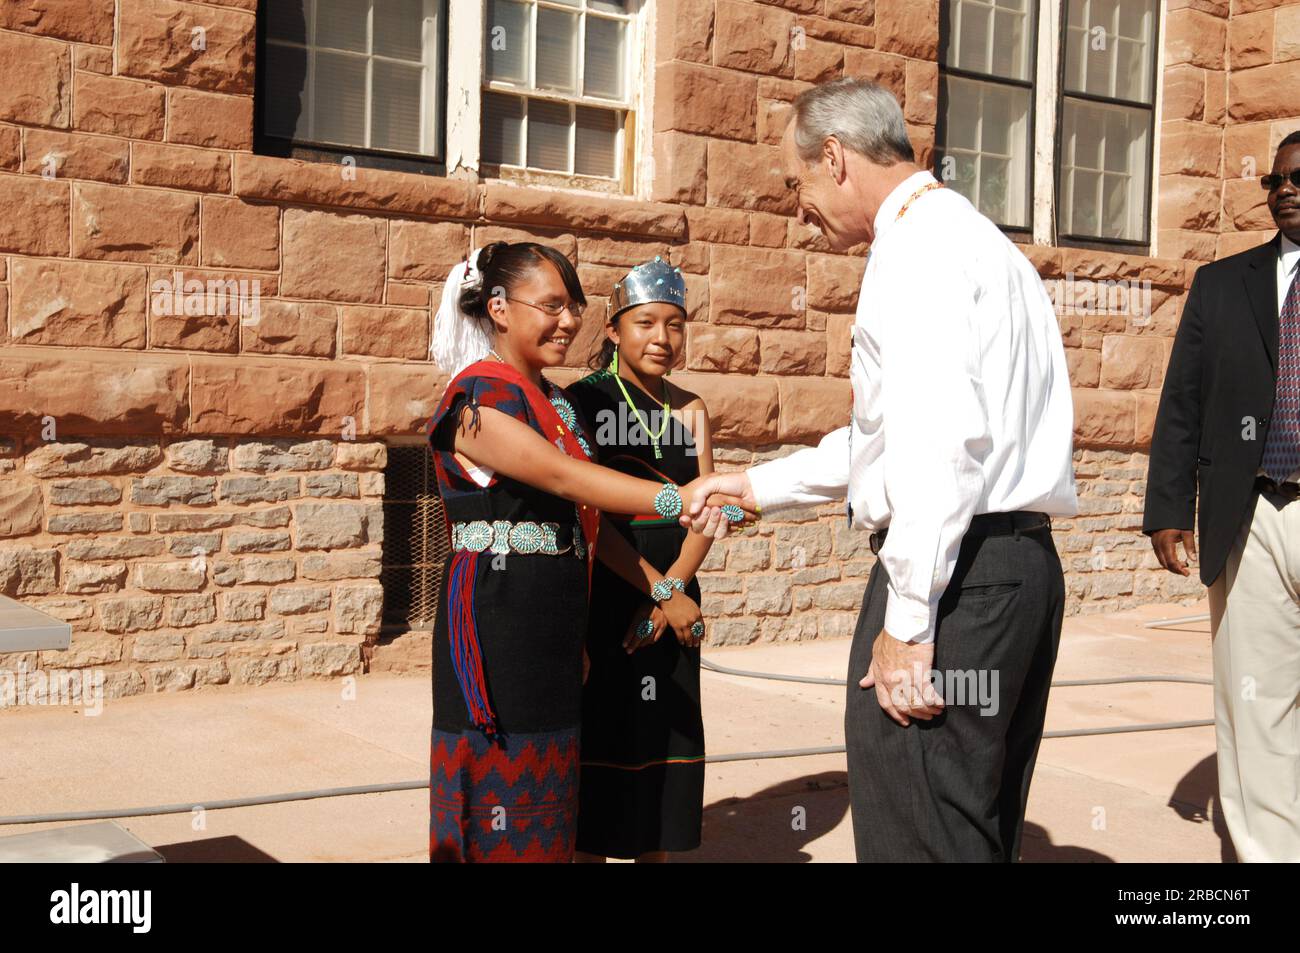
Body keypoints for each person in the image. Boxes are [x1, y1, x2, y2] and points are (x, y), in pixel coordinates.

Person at [681, 78, 1078, 862]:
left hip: (960, 578)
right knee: (968, 822)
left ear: (834, 157)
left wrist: (907, 622)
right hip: (1011, 566)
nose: (798, 210)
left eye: (796, 184)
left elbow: (937, 447)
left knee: (919, 823)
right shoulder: (978, 241)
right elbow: (898, 439)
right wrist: (757, 485)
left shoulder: (917, 251)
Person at [425, 241, 744, 863]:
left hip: (555, 621)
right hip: (499, 619)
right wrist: (687, 499)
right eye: (550, 305)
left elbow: (588, 515)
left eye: (572, 306)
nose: (568, 321)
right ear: (498, 307)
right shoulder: (475, 401)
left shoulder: (558, 402)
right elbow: (569, 480)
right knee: (500, 787)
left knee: (551, 798)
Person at [1144, 131, 1300, 863]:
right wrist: (1170, 505)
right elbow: (1183, 400)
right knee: (1256, 700)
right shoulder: (1221, 283)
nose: (1287, 189)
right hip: (1254, 514)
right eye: (1276, 179)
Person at [566, 257, 716, 863]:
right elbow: (589, 511)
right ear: (613, 330)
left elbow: (709, 510)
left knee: (664, 740)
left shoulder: (691, 407)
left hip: (679, 592)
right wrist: (658, 593)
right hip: (613, 582)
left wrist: (677, 591)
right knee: (606, 737)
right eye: (647, 323)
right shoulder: (584, 400)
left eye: (675, 324)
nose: (663, 338)